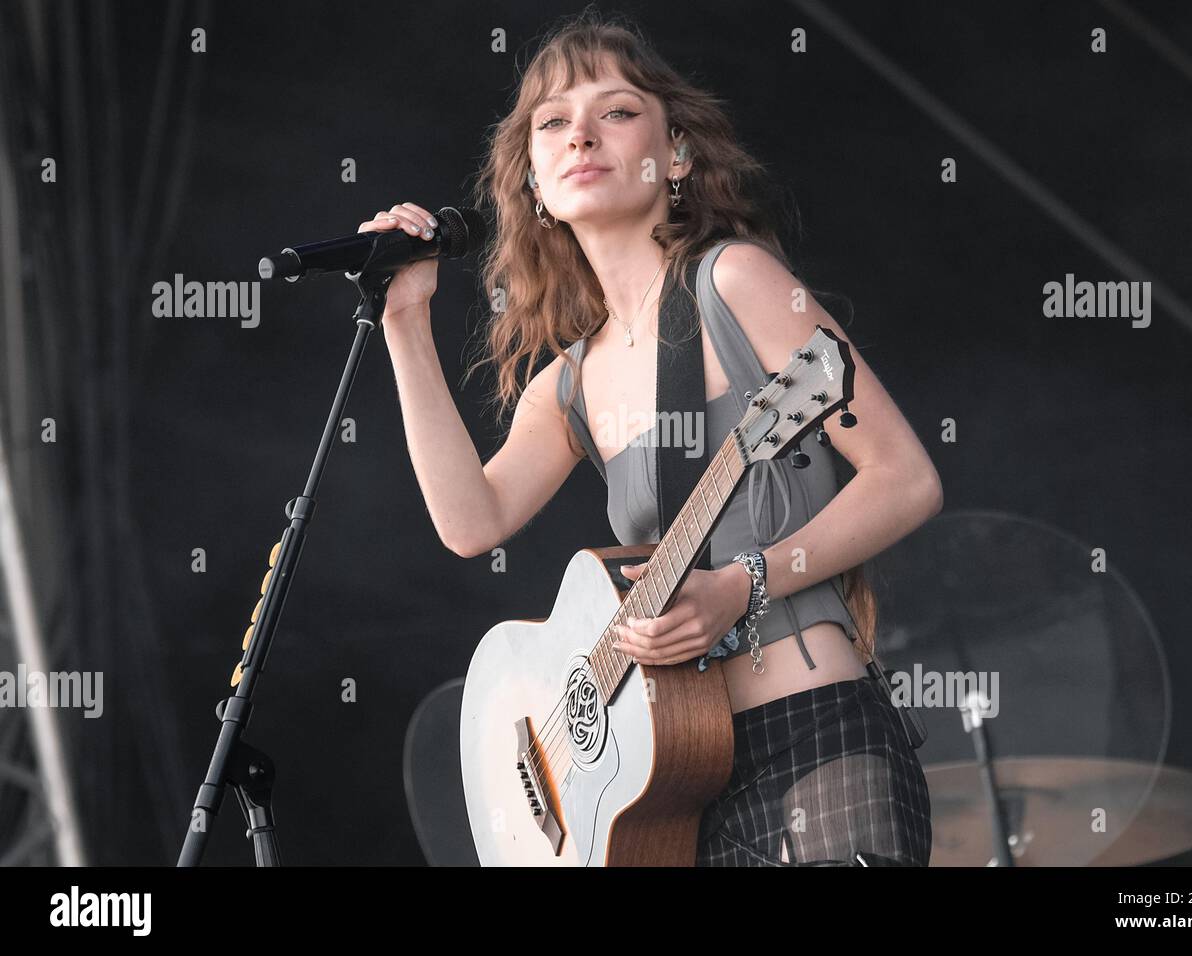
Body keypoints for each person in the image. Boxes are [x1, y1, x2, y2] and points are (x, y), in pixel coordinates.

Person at [368, 10, 940, 866]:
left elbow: (904, 478)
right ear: (532, 182)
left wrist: (742, 585)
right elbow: (468, 523)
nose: (581, 135)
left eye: (617, 111)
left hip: (813, 734)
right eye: (552, 124)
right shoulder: (569, 381)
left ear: (675, 155)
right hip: (668, 781)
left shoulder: (735, 282)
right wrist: (404, 323)